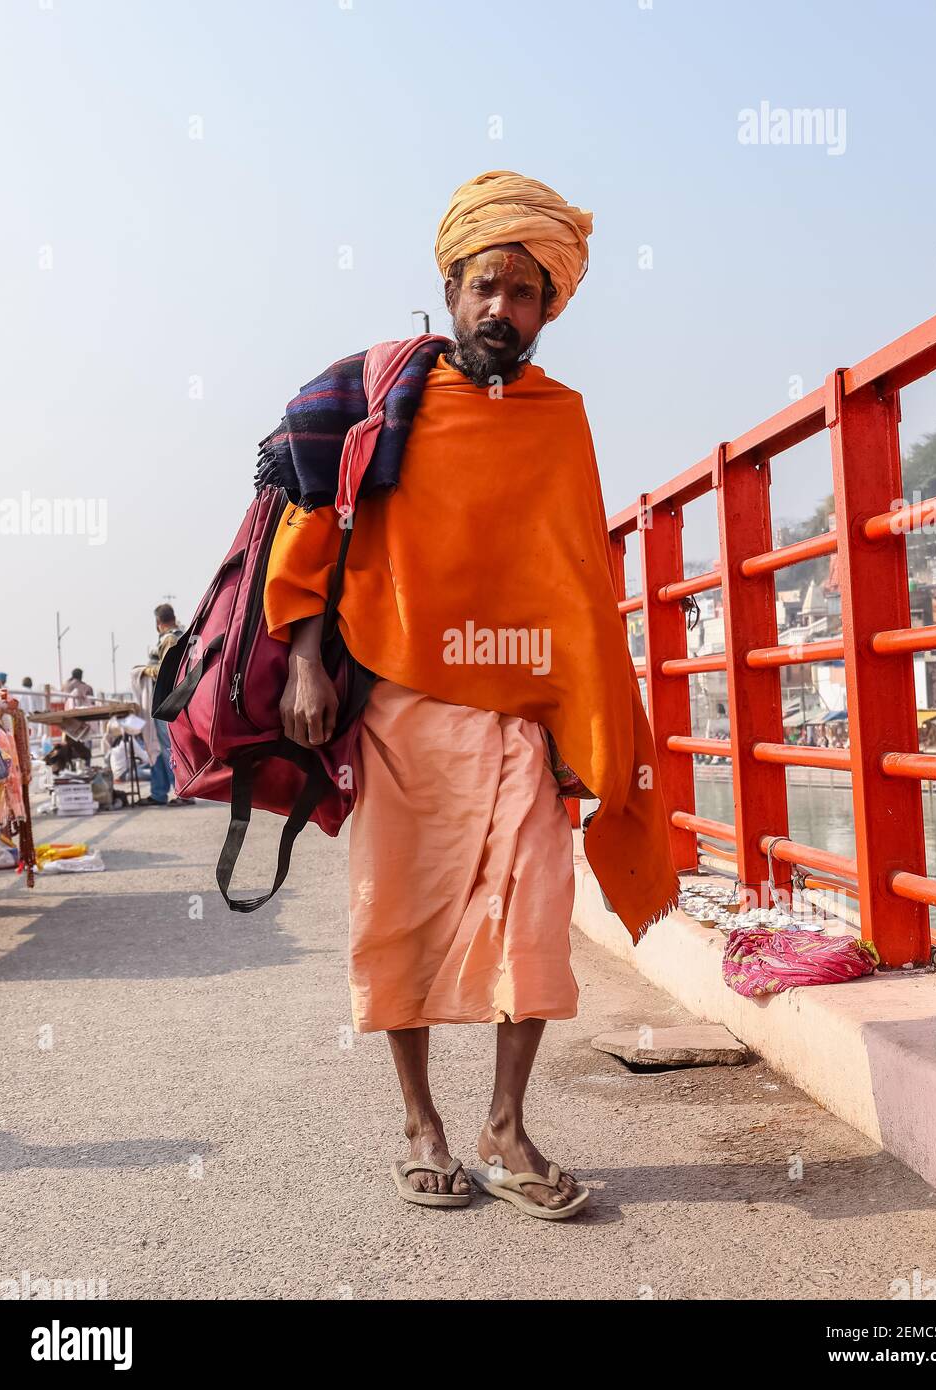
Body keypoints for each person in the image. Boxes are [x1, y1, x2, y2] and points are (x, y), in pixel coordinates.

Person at [263, 170, 678, 1218]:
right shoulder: (387, 403)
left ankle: (504, 1125)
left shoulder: (560, 419)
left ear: (549, 309)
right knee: (398, 915)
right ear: (451, 285)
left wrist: (593, 717)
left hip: (525, 723)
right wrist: (307, 656)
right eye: (486, 284)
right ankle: (420, 1124)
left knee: (534, 920)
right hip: (405, 708)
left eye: (525, 293)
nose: (503, 308)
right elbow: (310, 524)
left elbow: (580, 577)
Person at [141, 604, 192, 806]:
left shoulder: (170, 638)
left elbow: (165, 671)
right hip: (172, 701)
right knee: (161, 748)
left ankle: (182, 792)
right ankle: (159, 792)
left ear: (157, 622)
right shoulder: (180, 635)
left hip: (167, 702)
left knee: (169, 748)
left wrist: (143, 671)